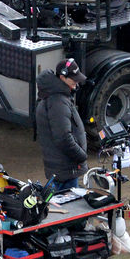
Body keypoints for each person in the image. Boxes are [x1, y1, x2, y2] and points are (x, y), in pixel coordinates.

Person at [36, 57, 89, 191]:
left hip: (62, 169)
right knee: (69, 207)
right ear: (62, 78)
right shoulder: (58, 102)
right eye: (73, 80)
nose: (76, 84)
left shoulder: (57, 97)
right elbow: (63, 137)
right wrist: (81, 156)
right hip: (66, 170)